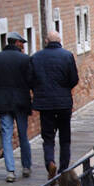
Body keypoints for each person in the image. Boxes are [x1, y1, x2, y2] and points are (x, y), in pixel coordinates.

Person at [30, 27, 79, 177]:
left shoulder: (36, 57)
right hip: (63, 103)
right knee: (65, 138)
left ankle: (50, 162)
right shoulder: (67, 56)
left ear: (46, 41)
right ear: (60, 41)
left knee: (48, 137)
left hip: (45, 105)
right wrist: (65, 89)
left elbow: (31, 80)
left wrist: (39, 91)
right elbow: (74, 79)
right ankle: (63, 170)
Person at [0, 32, 33, 183]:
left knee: (6, 136)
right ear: (17, 43)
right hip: (21, 102)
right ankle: (26, 166)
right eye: (22, 43)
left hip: (3, 103)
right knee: (23, 135)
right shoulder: (25, 59)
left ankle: (10, 171)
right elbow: (31, 81)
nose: (23, 46)